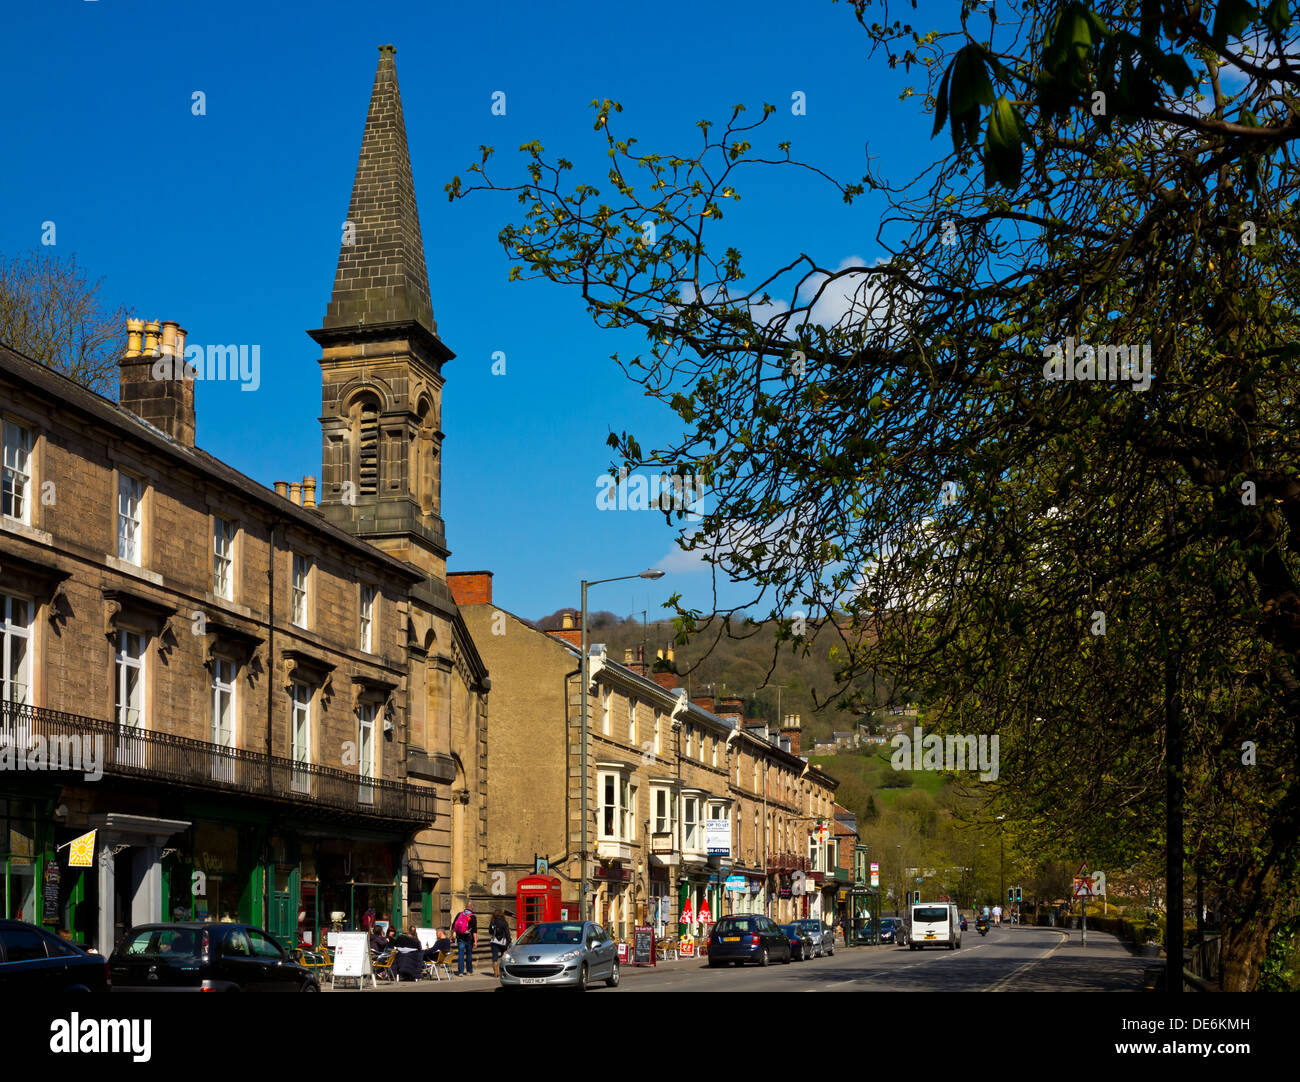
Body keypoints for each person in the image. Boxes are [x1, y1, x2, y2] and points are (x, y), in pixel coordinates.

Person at [451, 904, 478, 975]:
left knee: (461, 955)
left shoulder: (459, 914)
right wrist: (475, 941)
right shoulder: (473, 917)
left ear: (466, 908)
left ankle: (461, 972)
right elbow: (474, 930)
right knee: (469, 955)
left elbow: (453, 926)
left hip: (460, 938)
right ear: (471, 908)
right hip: (469, 939)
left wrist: (451, 936)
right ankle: (469, 971)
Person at [488, 909, 511, 978]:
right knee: (503, 957)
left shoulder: (492, 922)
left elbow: (490, 932)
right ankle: (501, 970)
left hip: (494, 941)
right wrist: (509, 941)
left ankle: (496, 972)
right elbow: (507, 933)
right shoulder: (504, 922)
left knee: (494, 957)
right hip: (503, 942)